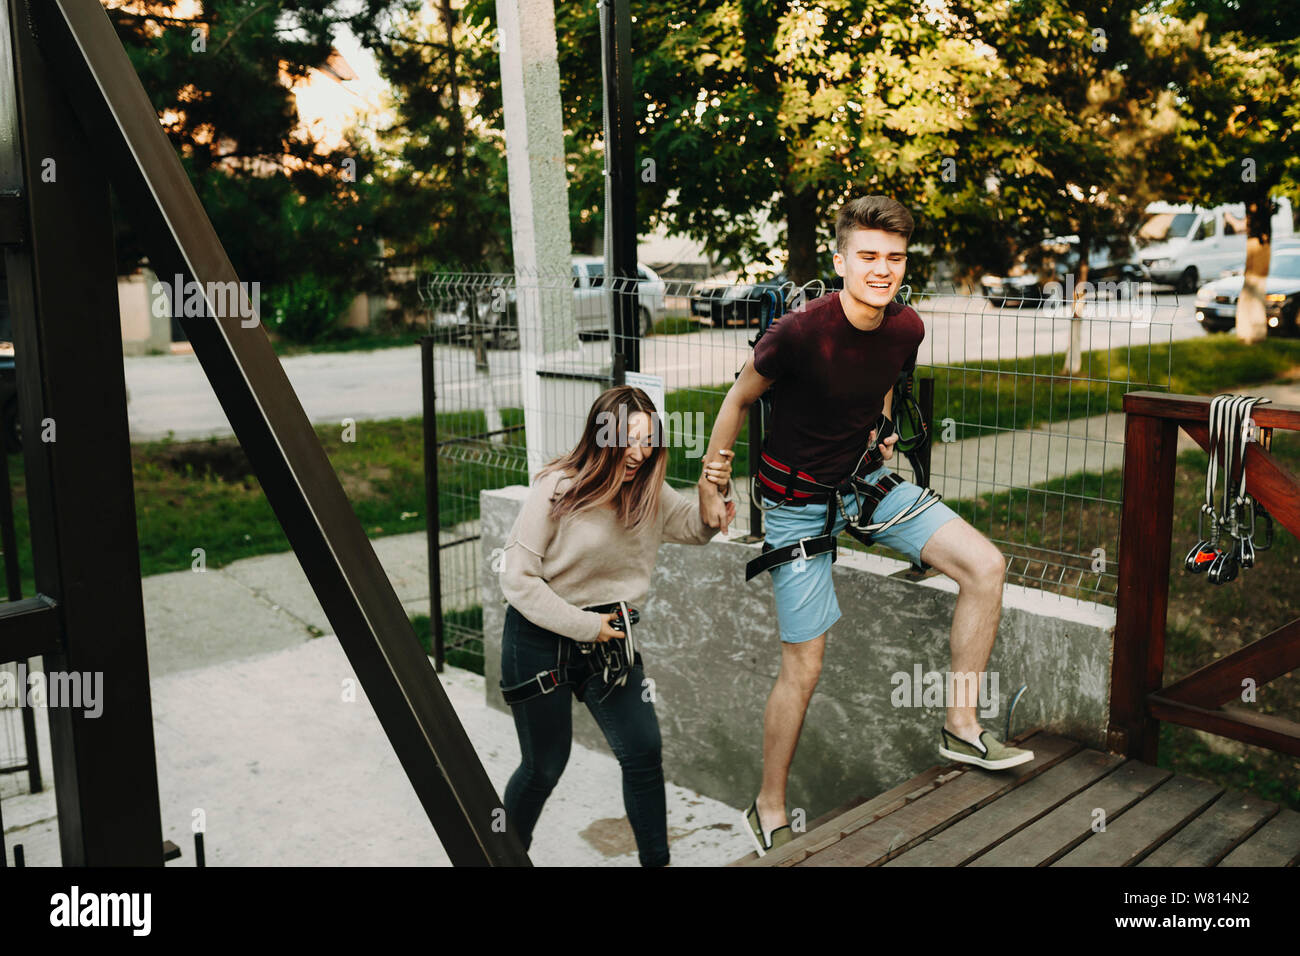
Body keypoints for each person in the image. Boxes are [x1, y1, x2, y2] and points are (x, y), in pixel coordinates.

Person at [695, 195, 1033, 857]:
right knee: (805, 666)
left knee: (985, 567)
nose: (882, 269)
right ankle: (768, 804)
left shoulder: (906, 327)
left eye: (895, 258)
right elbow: (739, 399)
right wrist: (712, 481)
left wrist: (878, 429)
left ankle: (960, 724)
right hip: (794, 506)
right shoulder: (797, 333)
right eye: (869, 256)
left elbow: (883, 381)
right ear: (841, 258)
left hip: (863, 485)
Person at [497, 385, 735, 866]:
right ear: (600, 436)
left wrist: (715, 497)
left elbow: (693, 525)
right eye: (627, 439)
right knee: (544, 766)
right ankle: (498, 857)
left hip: (609, 640)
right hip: (539, 638)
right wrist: (587, 627)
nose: (638, 453)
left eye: (647, 441)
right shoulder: (558, 488)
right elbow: (517, 580)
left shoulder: (647, 489)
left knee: (643, 752)